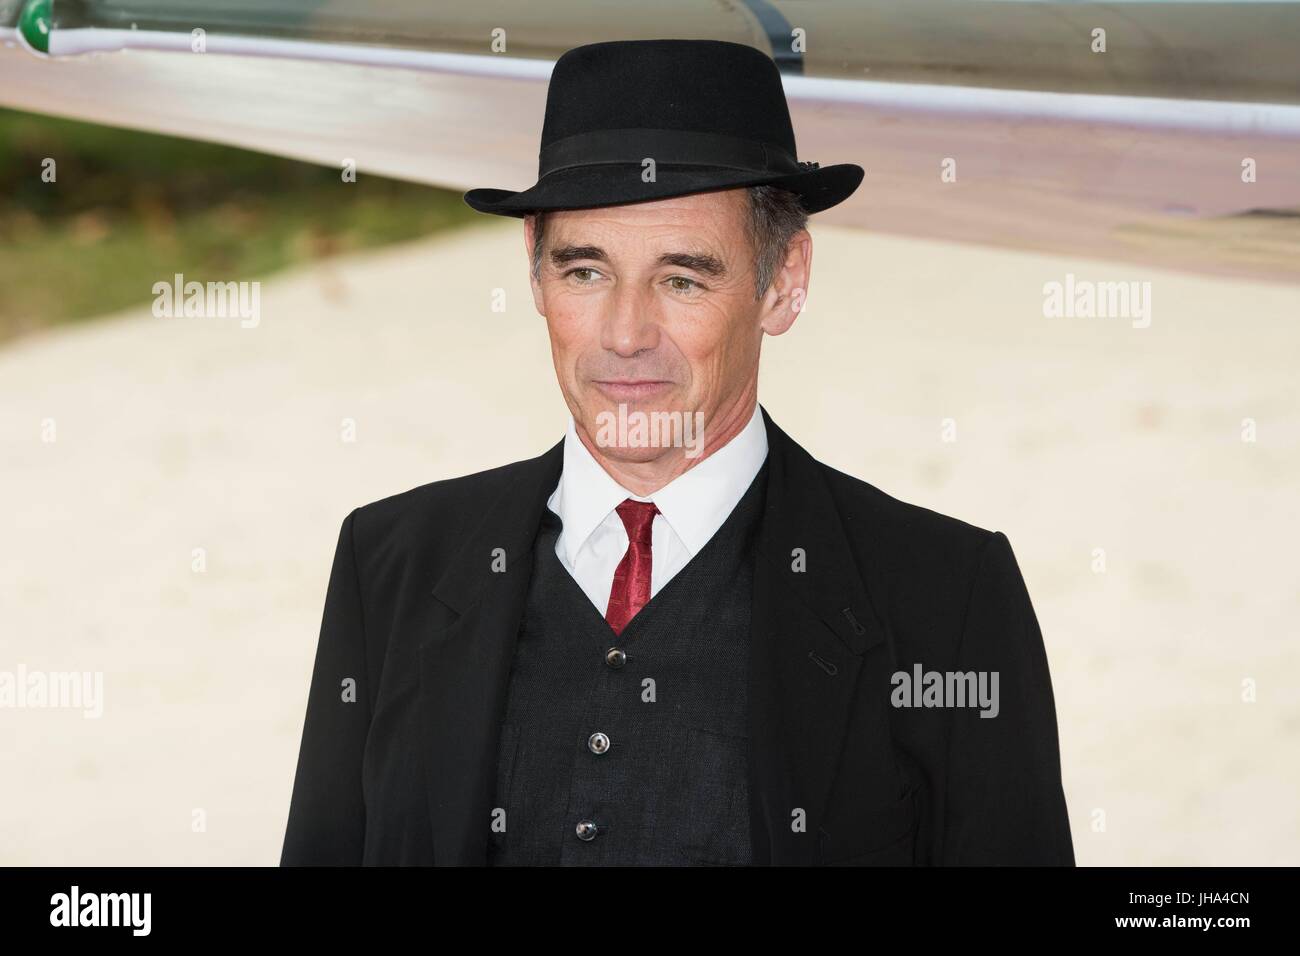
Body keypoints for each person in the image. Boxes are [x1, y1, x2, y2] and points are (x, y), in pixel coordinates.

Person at [280, 38, 1074, 866]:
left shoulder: (945, 598)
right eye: (585, 272)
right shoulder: (391, 565)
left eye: (682, 280)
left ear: (783, 282)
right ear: (534, 273)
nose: (626, 337)